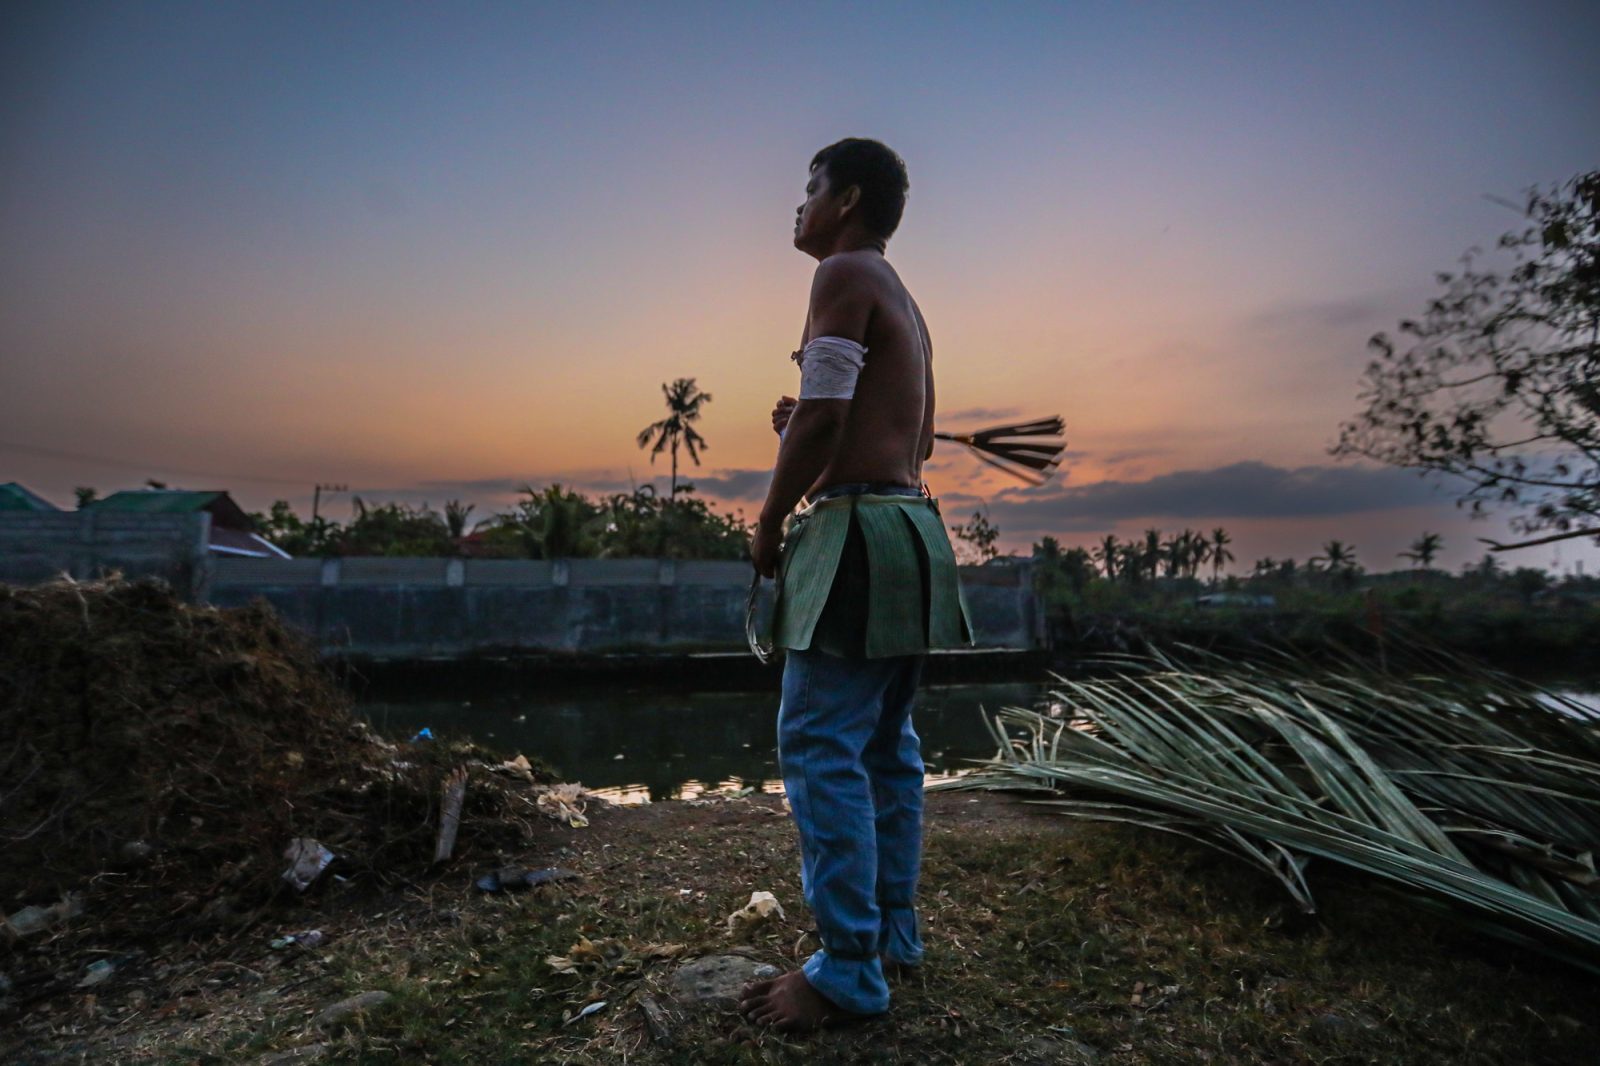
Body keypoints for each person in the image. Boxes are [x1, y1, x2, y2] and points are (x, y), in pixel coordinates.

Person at [740, 138, 972, 1033]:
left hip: (858, 535)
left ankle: (847, 969)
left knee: (819, 744)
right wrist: (809, 417)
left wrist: (766, 523)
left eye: (808, 189)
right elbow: (899, 438)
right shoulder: (904, 300)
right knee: (884, 748)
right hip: (909, 528)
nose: (797, 206)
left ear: (849, 199)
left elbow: (834, 417)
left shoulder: (839, 273)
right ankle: (892, 937)